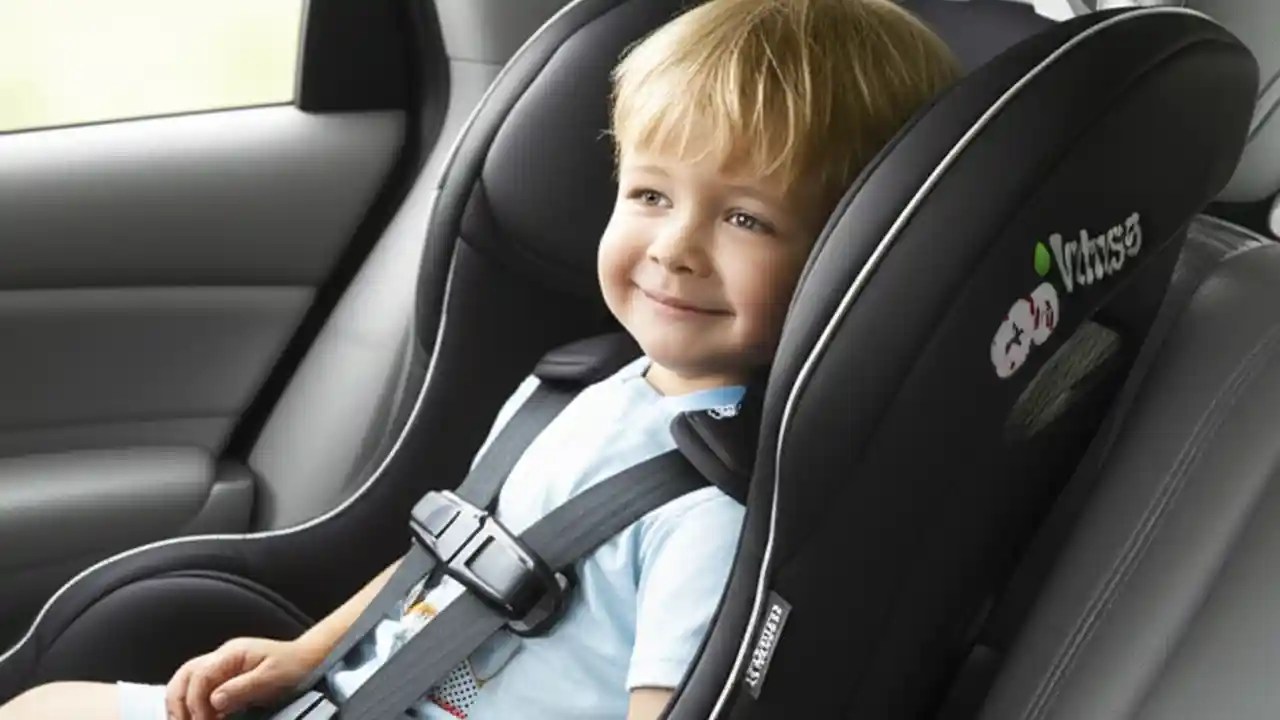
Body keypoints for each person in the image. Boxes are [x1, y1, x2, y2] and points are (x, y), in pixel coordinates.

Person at [0, 1, 958, 718]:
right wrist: (303, 653)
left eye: (745, 218)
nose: (673, 247)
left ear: (848, 252)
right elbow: (449, 562)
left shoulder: (718, 509)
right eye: (651, 195)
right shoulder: (577, 388)